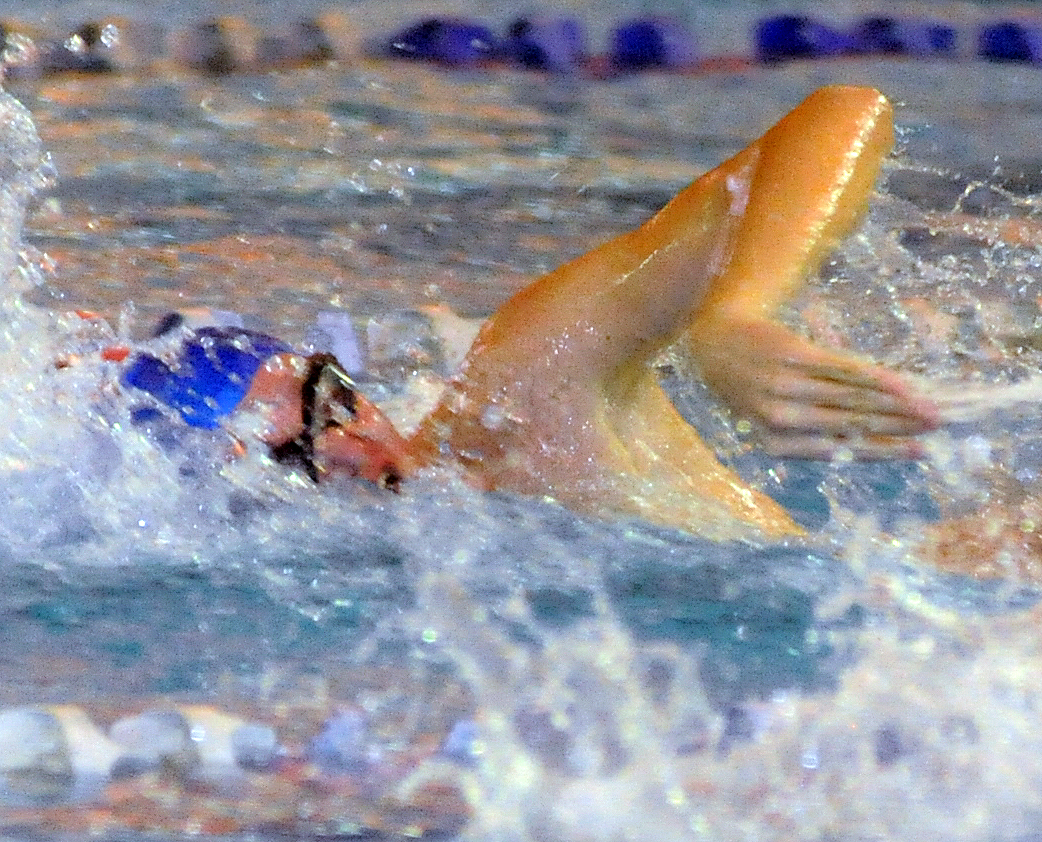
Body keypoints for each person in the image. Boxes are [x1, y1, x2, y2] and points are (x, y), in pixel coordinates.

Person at [120, 85, 939, 542]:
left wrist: (738, 314)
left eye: (332, 401)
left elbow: (847, 112)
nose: (352, 446)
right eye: (290, 460)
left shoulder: (528, 385)